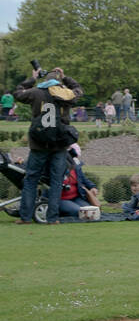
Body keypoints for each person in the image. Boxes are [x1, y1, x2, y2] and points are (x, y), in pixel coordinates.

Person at [14, 65, 83, 224]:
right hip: (59, 144)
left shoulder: (36, 92)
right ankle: (53, 218)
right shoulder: (66, 94)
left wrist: (32, 78)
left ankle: (25, 218)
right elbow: (78, 89)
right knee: (56, 181)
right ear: (59, 82)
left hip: (38, 143)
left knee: (31, 179)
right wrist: (66, 78)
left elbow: (18, 92)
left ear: (45, 80)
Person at [56, 145, 100, 218]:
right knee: (78, 211)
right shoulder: (56, 166)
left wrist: (93, 187)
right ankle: (59, 212)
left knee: (90, 210)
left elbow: (83, 178)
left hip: (75, 197)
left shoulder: (76, 166)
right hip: (61, 199)